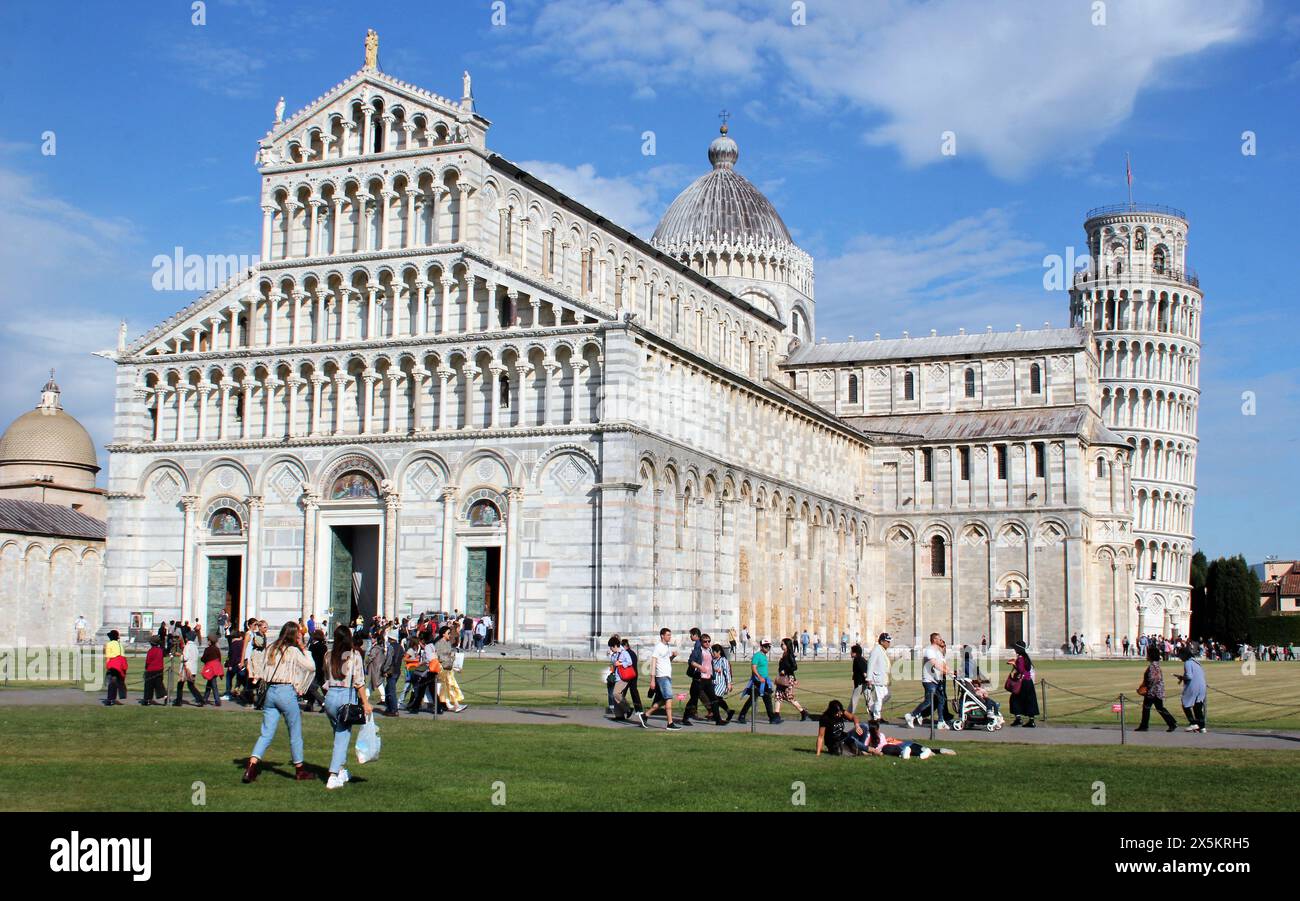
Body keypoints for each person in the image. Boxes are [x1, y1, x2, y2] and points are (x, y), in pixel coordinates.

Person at [243, 622, 317, 783]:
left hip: (271, 692)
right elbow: (310, 667)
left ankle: (251, 766)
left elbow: (262, 666)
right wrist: (303, 648)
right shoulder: (292, 651)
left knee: (266, 733)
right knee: (295, 732)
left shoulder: (271, 648)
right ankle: (299, 769)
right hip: (286, 691)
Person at [322, 625, 373, 790]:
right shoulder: (354, 655)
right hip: (345, 695)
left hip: (330, 697)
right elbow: (359, 682)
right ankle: (333, 774)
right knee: (342, 737)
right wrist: (365, 702)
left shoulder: (328, 655)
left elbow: (325, 676)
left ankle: (341, 769)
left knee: (338, 734)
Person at [905, 632, 952, 729]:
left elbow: (943, 664)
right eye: (939, 639)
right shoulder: (929, 650)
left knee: (941, 700)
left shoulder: (938, 652)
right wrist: (945, 671)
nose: (941, 640)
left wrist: (951, 671)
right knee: (929, 701)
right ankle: (912, 715)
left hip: (937, 680)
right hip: (929, 680)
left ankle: (941, 721)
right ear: (934, 640)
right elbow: (934, 664)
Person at [642, 627, 681, 730]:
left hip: (667, 676)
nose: (670, 637)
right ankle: (670, 723)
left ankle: (645, 715)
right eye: (668, 635)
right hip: (661, 676)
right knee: (669, 698)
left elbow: (666, 661)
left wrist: (673, 656)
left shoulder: (667, 646)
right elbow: (653, 663)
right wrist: (652, 680)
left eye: (670, 635)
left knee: (663, 700)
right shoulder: (658, 647)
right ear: (662, 636)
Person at [1135, 643, 1178, 732]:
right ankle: (1171, 723)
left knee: (1147, 708)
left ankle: (1144, 725)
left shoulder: (1152, 666)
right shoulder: (1156, 664)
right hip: (1157, 690)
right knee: (1159, 708)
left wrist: (1146, 686)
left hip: (1153, 691)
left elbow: (1153, 678)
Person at [736, 638, 780, 724]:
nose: (767, 648)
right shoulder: (757, 655)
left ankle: (771, 718)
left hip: (765, 681)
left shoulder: (764, 656)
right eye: (766, 646)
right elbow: (753, 667)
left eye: (768, 647)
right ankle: (742, 716)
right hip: (757, 681)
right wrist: (759, 677)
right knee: (752, 700)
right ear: (761, 646)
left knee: (767, 699)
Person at [608, 635, 647, 727]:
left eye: (611, 647)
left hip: (624, 677)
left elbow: (629, 662)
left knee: (615, 693)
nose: (610, 649)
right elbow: (613, 663)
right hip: (618, 676)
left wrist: (620, 663)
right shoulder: (614, 654)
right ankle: (621, 714)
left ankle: (628, 709)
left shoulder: (624, 653)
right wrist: (613, 660)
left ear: (614, 646)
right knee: (617, 696)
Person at [865, 719, 955, 759]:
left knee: (908, 748)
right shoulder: (878, 736)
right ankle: (935, 751)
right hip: (895, 744)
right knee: (910, 747)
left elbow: (866, 749)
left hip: (894, 746)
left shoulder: (873, 737)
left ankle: (929, 751)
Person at [774, 637, 810, 721]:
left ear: (787, 645)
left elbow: (794, 667)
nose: (781, 646)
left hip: (788, 679)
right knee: (778, 696)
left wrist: (786, 672)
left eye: (782, 644)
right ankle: (776, 715)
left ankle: (803, 712)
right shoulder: (784, 654)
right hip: (782, 678)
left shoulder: (789, 654)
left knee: (789, 697)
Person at [1005, 640, 1038, 727]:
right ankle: (1031, 720)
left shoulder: (1020, 658)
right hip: (1028, 681)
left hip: (1022, 683)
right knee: (1030, 701)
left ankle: (1018, 719)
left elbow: (1021, 670)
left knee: (1014, 700)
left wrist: (1014, 664)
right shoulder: (1026, 657)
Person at [1176, 644, 1208, 733]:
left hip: (1193, 685)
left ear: (1184, 655)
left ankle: (1193, 723)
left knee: (1185, 703)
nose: (1180, 658)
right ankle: (1202, 726)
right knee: (1198, 706)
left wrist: (1182, 678)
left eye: (1180, 656)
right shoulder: (1196, 662)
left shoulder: (1188, 663)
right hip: (1202, 686)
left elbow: (1189, 676)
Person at [173, 632, 206, 706]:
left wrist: (179, 655)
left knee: (180, 685)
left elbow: (185, 658)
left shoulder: (187, 646)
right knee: (191, 685)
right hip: (193, 668)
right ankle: (200, 699)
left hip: (187, 669)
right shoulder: (195, 647)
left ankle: (179, 701)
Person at [377, 629, 403, 717]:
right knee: (388, 689)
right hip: (397, 670)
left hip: (391, 671)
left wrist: (385, 670)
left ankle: (394, 710)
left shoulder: (390, 647)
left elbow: (389, 660)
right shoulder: (400, 647)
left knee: (391, 691)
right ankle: (389, 708)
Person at [866, 633, 892, 720]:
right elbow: (871, 664)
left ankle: (872, 709)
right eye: (887, 641)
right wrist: (869, 678)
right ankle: (877, 717)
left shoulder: (882, 650)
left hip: (883, 679)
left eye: (889, 641)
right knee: (879, 699)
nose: (889, 643)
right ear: (882, 641)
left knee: (887, 695)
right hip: (877, 679)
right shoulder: (876, 650)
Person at [710, 643, 733, 724]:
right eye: (712, 652)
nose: (713, 654)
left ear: (719, 652)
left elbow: (727, 672)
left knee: (715, 697)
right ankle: (729, 711)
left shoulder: (723, 660)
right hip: (714, 683)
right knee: (718, 699)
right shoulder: (713, 660)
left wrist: (729, 683)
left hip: (721, 683)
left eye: (714, 652)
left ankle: (716, 715)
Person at [103, 630, 128, 706]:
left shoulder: (109, 644)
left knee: (112, 682)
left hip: (114, 663)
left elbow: (108, 657)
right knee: (118, 681)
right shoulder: (120, 644)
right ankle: (119, 696)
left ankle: (110, 699)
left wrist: (107, 666)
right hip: (121, 663)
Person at [140, 636, 166, 705]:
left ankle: (147, 699)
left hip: (151, 670)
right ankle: (165, 697)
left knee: (148, 686)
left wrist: (146, 669)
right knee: (159, 684)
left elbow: (148, 661)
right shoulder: (160, 650)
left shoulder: (150, 651)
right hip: (159, 670)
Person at [200, 634, 224, 706]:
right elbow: (219, 658)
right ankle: (205, 698)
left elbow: (204, 658)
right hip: (216, 668)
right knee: (210, 683)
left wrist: (205, 661)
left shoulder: (207, 649)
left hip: (210, 668)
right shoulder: (217, 649)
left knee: (213, 684)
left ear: (210, 641)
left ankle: (217, 700)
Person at [848, 644, 869, 715]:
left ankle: (849, 715)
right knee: (869, 700)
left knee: (854, 700)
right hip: (864, 683)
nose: (850, 653)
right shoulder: (862, 659)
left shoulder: (857, 659)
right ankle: (874, 716)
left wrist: (868, 680)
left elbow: (864, 672)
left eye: (852, 651)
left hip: (860, 683)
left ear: (855, 653)